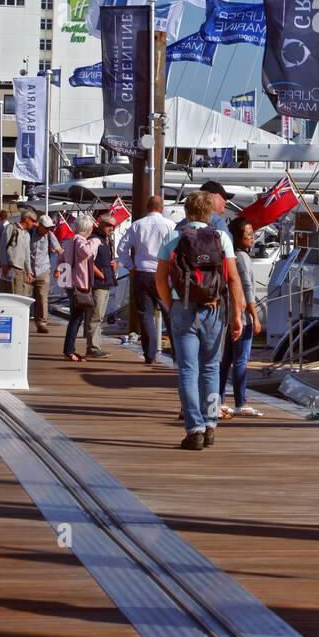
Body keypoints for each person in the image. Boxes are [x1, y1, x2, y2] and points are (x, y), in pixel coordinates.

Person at [156, 190, 245, 450]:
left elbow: (160, 279)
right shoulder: (222, 238)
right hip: (214, 310)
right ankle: (210, 424)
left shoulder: (174, 237)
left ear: (187, 212)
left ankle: (194, 428)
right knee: (211, 368)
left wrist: (171, 305)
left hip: (183, 308)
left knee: (188, 370)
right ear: (210, 213)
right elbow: (233, 279)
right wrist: (237, 315)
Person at [118, 195, 174, 366]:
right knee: (170, 315)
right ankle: (178, 354)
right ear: (161, 208)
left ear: (147, 207)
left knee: (146, 316)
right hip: (163, 273)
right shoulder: (170, 225)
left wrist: (130, 266)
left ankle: (150, 355)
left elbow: (121, 249)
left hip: (142, 273)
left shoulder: (137, 225)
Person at [219, 217, 263, 417]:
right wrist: (255, 316)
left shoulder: (232, 256)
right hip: (242, 317)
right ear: (238, 238)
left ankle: (220, 399)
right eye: (248, 235)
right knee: (240, 360)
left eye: (252, 235)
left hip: (230, 314)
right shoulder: (242, 258)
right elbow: (247, 288)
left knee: (226, 360)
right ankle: (241, 402)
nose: (252, 238)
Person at [60, 213, 103, 362]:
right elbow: (85, 252)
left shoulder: (71, 241)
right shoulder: (80, 240)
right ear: (88, 229)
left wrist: (60, 274)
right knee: (76, 318)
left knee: (76, 318)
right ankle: (69, 351)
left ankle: (69, 349)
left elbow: (61, 258)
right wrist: (95, 241)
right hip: (78, 284)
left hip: (71, 283)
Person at [84, 213, 117, 359]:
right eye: (108, 225)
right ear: (100, 224)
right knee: (95, 316)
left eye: (113, 226)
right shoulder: (95, 239)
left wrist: (113, 266)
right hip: (98, 283)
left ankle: (95, 346)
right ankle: (93, 347)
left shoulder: (107, 240)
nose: (111, 228)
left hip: (106, 282)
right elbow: (88, 261)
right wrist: (101, 275)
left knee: (99, 316)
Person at [28, 214, 62, 333]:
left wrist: (58, 269)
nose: (48, 230)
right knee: (25, 297)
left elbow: (60, 251)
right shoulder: (29, 233)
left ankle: (41, 323)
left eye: (50, 228)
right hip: (29, 270)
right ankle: (23, 320)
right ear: (40, 225)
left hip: (43, 269)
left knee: (42, 298)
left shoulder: (50, 235)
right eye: (46, 227)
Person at [0, 207, 37, 294]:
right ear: (27, 219)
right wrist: (4, 264)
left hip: (20, 271)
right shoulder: (11, 228)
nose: (34, 224)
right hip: (9, 268)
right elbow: (2, 247)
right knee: (7, 295)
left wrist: (29, 272)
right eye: (33, 221)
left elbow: (27, 255)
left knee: (18, 296)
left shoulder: (27, 235)